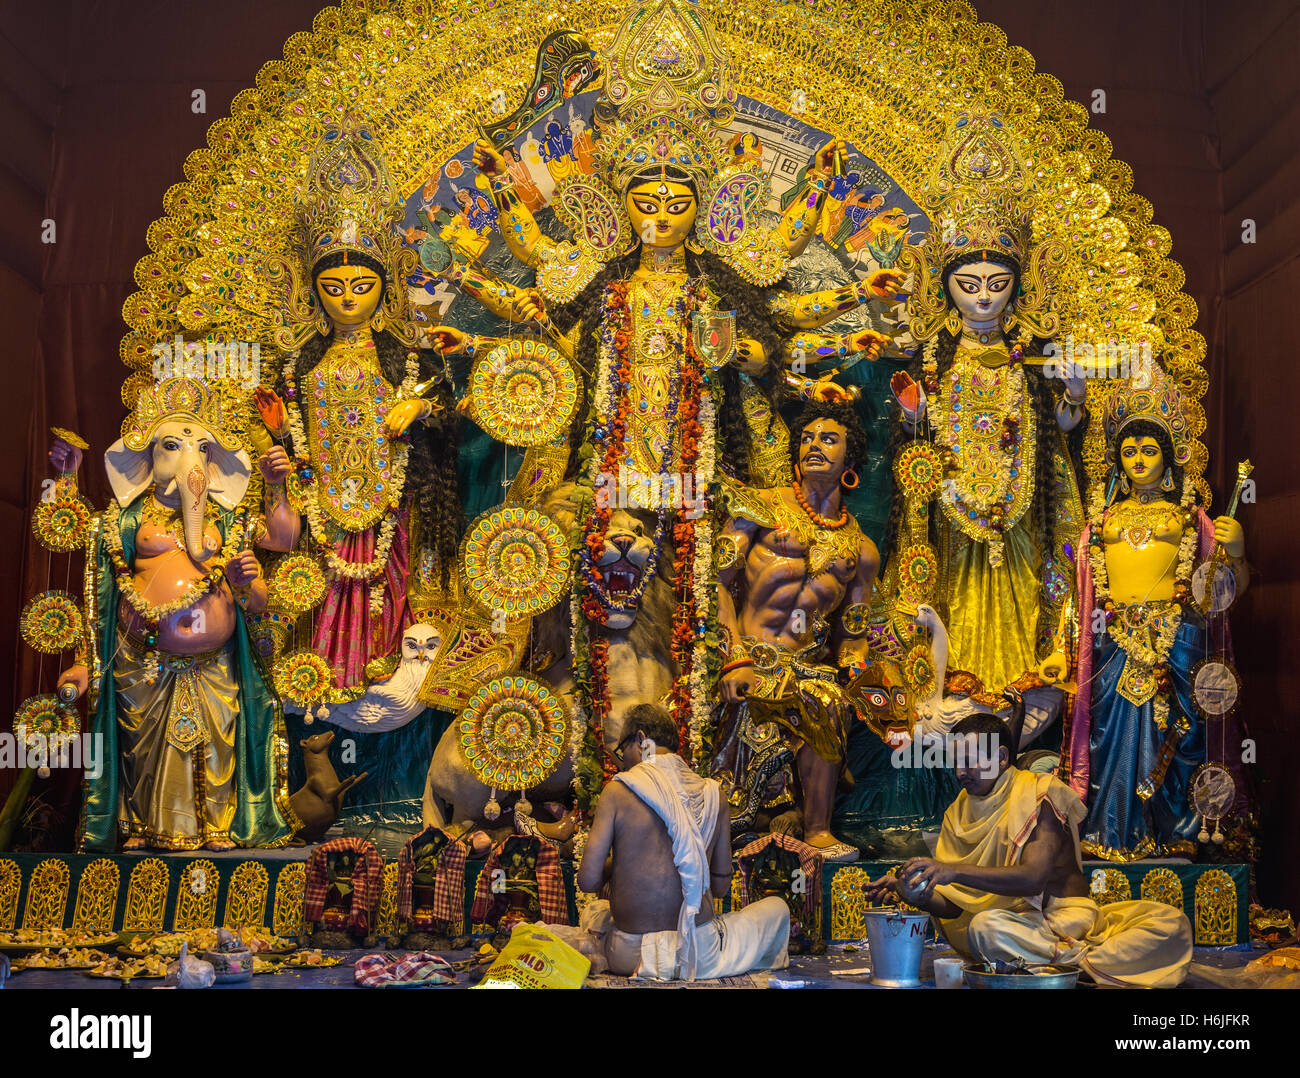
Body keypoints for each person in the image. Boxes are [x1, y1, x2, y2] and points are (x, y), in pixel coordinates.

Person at [864, 713, 1193, 987]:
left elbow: (1033, 879)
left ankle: (1059, 966)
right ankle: (1079, 968)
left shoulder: (1040, 794)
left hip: (1066, 920)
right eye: (956, 763)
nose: (961, 772)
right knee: (984, 927)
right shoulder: (957, 812)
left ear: (1002, 757)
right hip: (1016, 928)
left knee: (1171, 924)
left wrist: (952, 871)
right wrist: (914, 892)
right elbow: (953, 906)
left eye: (970, 761)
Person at [712, 401, 881, 861]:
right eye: (807, 437)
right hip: (746, 654)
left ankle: (818, 830)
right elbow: (713, 582)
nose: (814, 445)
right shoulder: (759, 508)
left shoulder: (862, 549)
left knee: (829, 700)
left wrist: (866, 681)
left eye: (829, 439)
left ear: (851, 461)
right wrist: (733, 654)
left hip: (807, 668)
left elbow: (853, 632)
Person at [574, 704, 790, 981]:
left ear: (641, 740)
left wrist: (619, 868)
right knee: (777, 909)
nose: (623, 762)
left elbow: (588, 882)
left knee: (596, 911)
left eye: (623, 750)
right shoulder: (714, 793)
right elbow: (721, 887)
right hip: (698, 953)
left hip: (628, 955)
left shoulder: (617, 790)